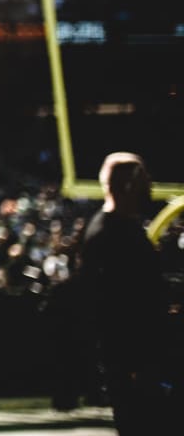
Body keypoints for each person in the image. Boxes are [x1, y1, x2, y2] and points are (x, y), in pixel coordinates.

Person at [79, 152, 169, 435]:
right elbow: (115, 305)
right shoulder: (110, 234)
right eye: (144, 180)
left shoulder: (121, 227)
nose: (150, 187)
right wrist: (134, 363)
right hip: (134, 357)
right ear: (128, 186)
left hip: (137, 356)